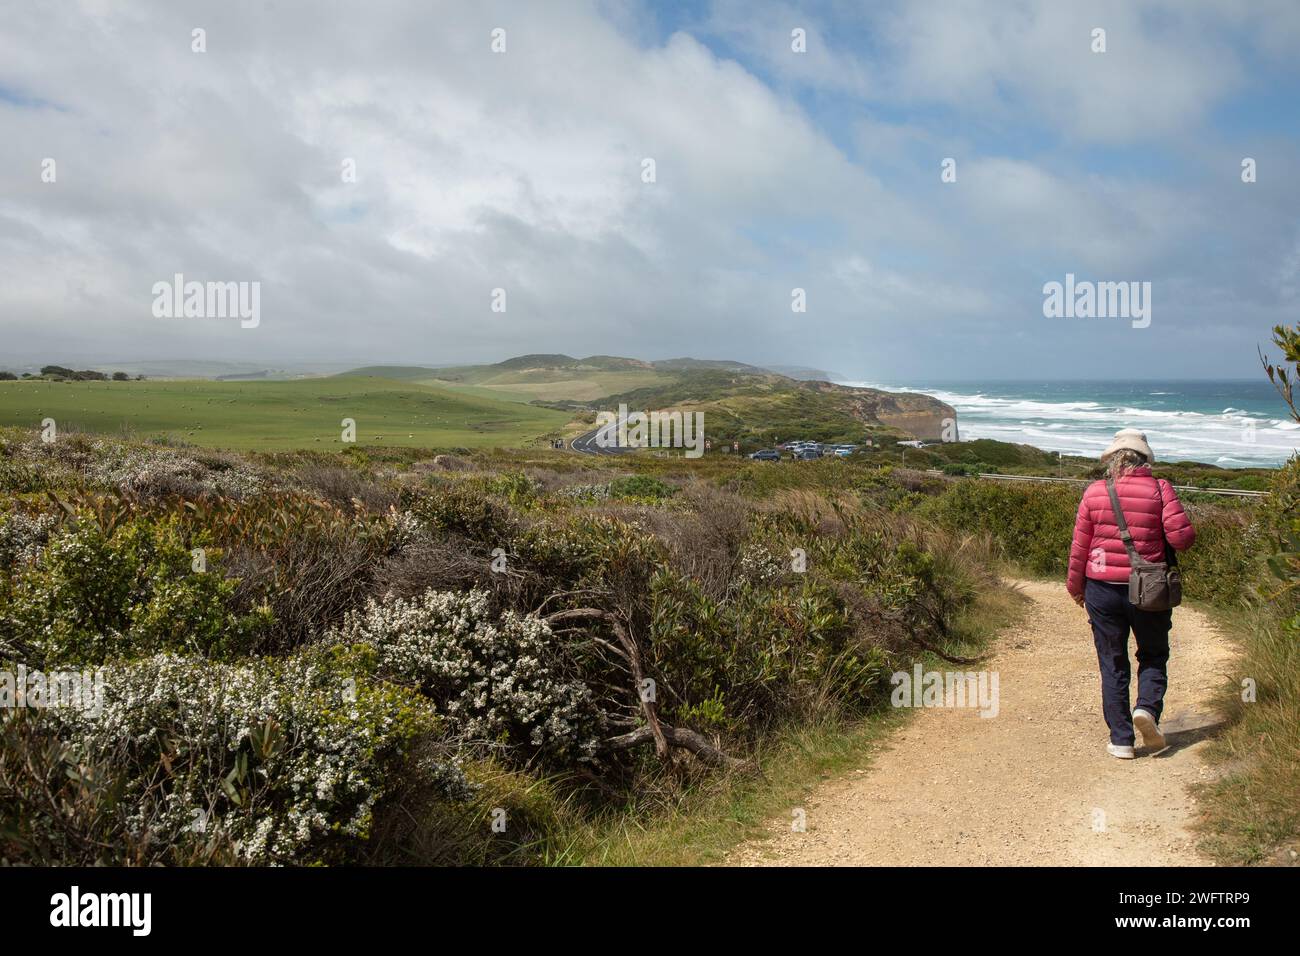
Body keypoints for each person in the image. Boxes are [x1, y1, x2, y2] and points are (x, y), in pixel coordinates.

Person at [1066, 428, 1196, 759]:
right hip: (1149, 588)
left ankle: (1121, 739)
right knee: (1153, 653)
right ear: (1145, 460)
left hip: (1101, 589)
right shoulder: (1160, 489)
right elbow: (1182, 539)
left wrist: (1075, 587)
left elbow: (1080, 546)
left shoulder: (1094, 492)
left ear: (1111, 460)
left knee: (1112, 662)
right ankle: (1147, 710)